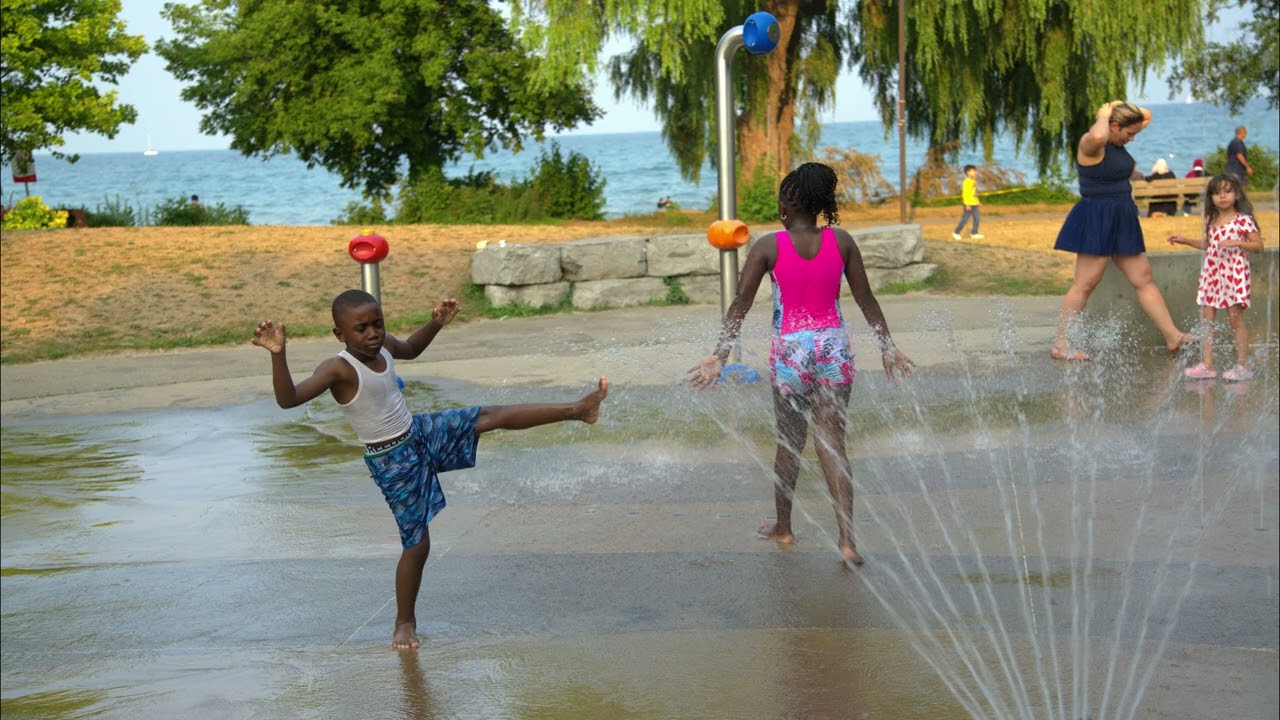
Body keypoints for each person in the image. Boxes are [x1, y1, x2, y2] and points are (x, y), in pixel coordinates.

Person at [252, 290, 608, 649]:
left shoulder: (384, 346)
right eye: (361, 329)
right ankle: (404, 622)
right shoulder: (338, 368)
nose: (373, 333)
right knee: (417, 543)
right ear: (339, 334)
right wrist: (278, 355)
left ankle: (577, 410)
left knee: (488, 415)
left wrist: (435, 323)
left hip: (418, 432)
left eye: (378, 324)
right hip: (392, 459)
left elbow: (411, 348)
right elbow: (288, 399)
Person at [686, 162, 915, 567]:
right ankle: (847, 540)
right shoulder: (842, 241)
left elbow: (741, 303)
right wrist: (887, 346)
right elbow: (866, 298)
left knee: (789, 442)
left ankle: (784, 527)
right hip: (833, 347)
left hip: (792, 350)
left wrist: (720, 353)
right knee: (832, 443)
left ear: (785, 208)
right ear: (822, 205)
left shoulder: (768, 246)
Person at [1050, 101, 1193, 361]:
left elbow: (1146, 115)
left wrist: (1116, 104)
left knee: (1143, 278)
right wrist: (1103, 114)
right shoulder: (1091, 144)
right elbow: (1098, 135)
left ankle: (1173, 336)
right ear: (1113, 126)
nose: (1133, 139)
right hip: (1097, 216)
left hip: (1123, 215)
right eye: (1129, 133)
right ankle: (1061, 344)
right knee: (1085, 283)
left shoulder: (1118, 142)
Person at [1167, 173, 1264, 381]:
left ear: (1237, 194)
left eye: (1227, 191)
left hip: (1234, 273)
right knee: (1206, 319)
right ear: (1211, 197)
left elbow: (1258, 245)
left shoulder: (1242, 220)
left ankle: (1242, 366)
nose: (1222, 196)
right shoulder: (1211, 220)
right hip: (1212, 274)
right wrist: (1185, 240)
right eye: (1217, 193)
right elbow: (1210, 244)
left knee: (1235, 318)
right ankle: (1207, 365)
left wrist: (1237, 242)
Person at [952, 164, 984, 240]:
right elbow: (965, 194)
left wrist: (978, 202)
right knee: (965, 219)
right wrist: (967, 204)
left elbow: (974, 193)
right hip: (968, 204)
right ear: (968, 172)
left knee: (977, 218)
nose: (975, 172)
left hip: (974, 204)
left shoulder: (974, 181)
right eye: (973, 171)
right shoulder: (966, 182)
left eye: (975, 171)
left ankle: (974, 233)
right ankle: (956, 232)